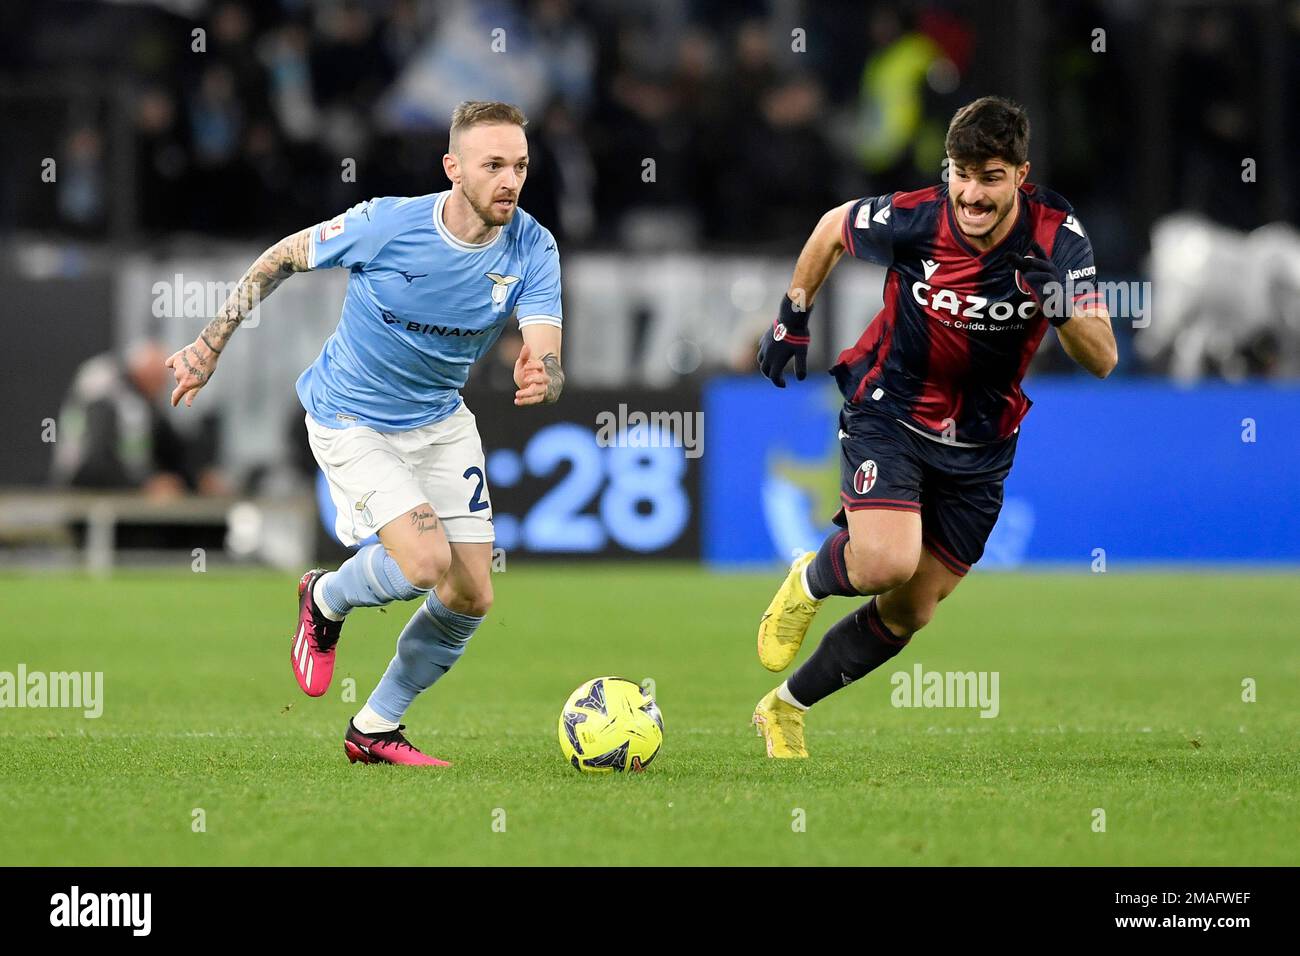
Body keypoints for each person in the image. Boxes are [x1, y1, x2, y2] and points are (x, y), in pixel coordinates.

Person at [165, 101, 564, 766]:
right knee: (425, 565)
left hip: (440, 419)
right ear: (453, 168)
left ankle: (375, 727)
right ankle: (324, 596)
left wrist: (543, 374)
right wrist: (211, 344)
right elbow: (282, 258)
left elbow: (547, 349)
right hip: (352, 418)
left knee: (472, 593)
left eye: (519, 165)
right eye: (493, 164)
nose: (509, 180)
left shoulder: (534, 245)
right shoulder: (388, 224)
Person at [752, 96, 1116, 758]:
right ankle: (811, 578)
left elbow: (1104, 358)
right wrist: (792, 314)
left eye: (991, 177)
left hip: (982, 444)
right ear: (947, 168)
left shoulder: (1057, 235)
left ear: (1020, 175)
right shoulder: (917, 216)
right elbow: (834, 227)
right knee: (886, 561)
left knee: (911, 610)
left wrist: (1058, 304)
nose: (972, 194)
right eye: (962, 173)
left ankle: (784, 709)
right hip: (889, 410)